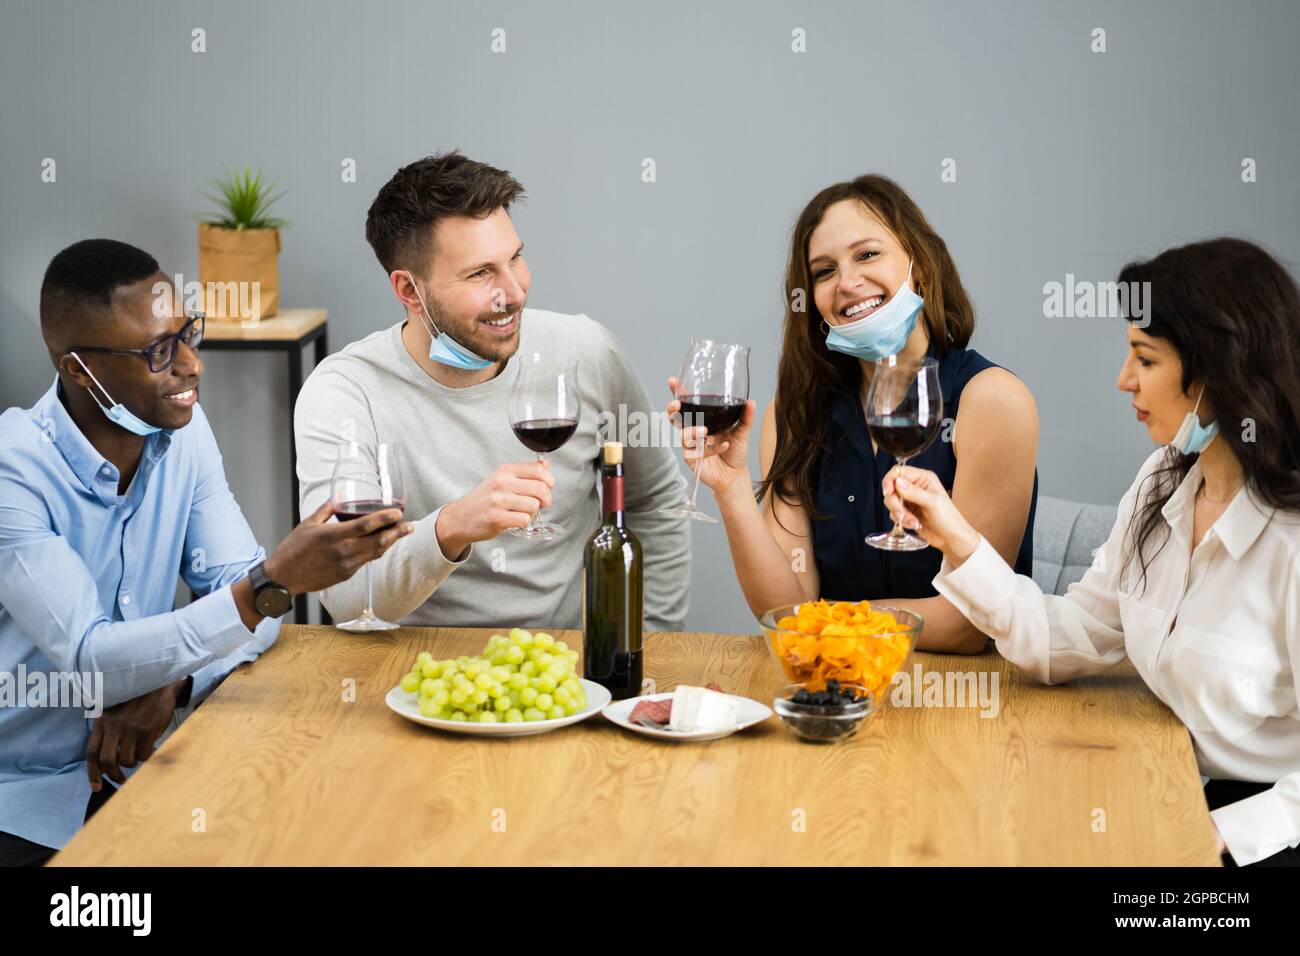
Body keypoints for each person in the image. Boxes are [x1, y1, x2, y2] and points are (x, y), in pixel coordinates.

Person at [883, 237, 1300, 866]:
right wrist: (956, 537)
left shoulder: (1289, 539)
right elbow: (1067, 636)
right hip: (1168, 784)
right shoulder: (1164, 480)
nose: (1123, 380)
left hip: (1263, 830)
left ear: (1221, 371)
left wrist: (1223, 836)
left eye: (1145, 359)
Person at [0, 239, 410, 866]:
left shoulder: (181, 432)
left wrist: (176, 677)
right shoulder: (13, 471)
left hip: (148, 768)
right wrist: (270, 582)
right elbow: (93, 661)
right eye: (159, 351)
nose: (192, 366)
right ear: (79, 369)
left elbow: (253, 613)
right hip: (24, 799)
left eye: (188, 332)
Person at [293, 152, 690, 630]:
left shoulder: (585, 351)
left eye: (515, 258)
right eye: (480, 273)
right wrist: (452, 526)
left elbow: (655, 499)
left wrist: (650, 638)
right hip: (415, 679)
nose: (515, 291)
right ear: (409, 291)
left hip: (566, 676)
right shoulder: (344, 393)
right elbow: (350, 600)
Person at [666, 175, 1038, 652]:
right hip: (835, 680)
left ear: (919, 264)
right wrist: (731, 486)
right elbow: (783, 608)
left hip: (967, 700)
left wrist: (822, 620)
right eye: (823, 272)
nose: (847, 282)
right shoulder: (796, 411)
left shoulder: (991, 400)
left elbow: (968, 625)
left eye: (867, 255)